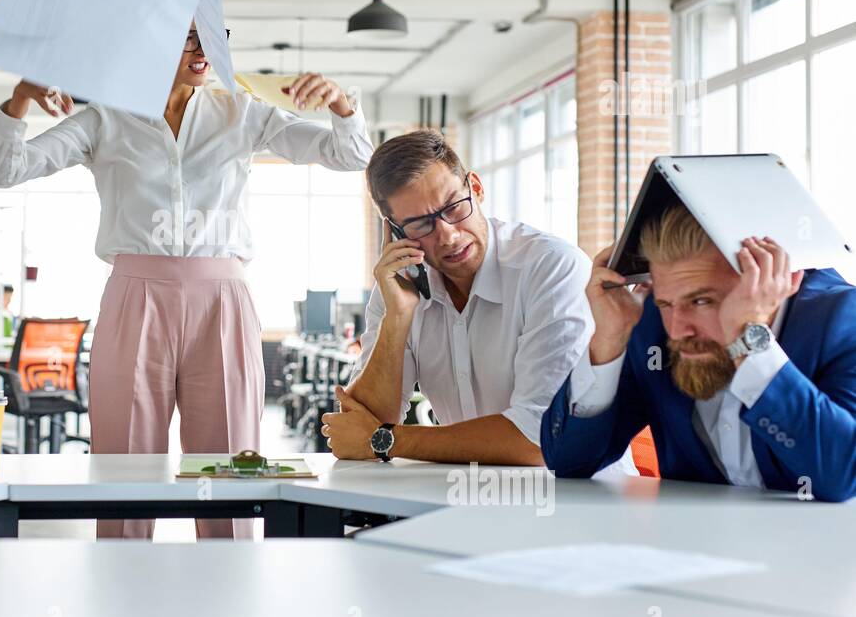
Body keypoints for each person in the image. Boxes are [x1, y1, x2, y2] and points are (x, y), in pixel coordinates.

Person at [0, 0, 374, 539]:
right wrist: (19, 98)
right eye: (186, 35)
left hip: (223, 298)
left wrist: (343, 105)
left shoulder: (243, 113)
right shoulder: (105, 119)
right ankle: (121, 590)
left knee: (226, 466)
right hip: (134, 296)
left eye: (211, 34)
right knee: (125, 464)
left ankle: (229, 594)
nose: (203, 50)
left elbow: (351, 154)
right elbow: (5, 170)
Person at [540, 203, 856, 502]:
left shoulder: (844, 320)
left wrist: (749, 339)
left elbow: (843, 474)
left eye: (702, 301)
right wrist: (608, 338)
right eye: (665, 303)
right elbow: (569, 462)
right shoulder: (650, 323)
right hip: (689, 549)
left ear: (782, 279)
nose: (677, 330)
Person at [322, 129, 591, 465]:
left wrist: (385, 439)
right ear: (395, 231)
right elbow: (356, 426)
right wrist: (397, 318)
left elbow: (538, 439)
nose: (447, 235)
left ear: (475, 188)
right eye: (421, 224)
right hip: (466, 498)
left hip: (572, 502)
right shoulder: (398, 285)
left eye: (453, 207)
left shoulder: (552, 267)